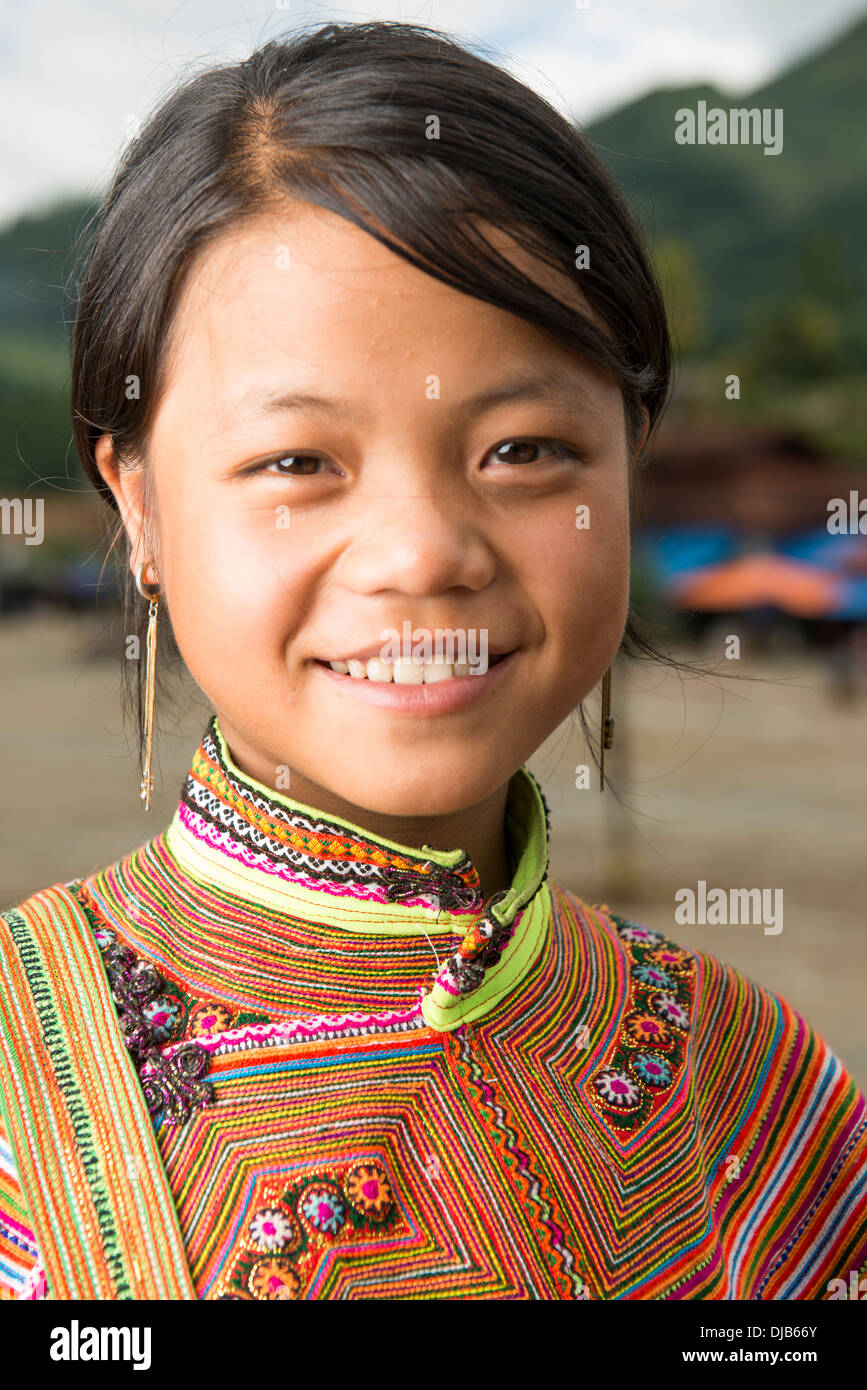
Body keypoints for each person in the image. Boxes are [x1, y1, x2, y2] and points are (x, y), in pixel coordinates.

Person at [1, 20, 865, 1302]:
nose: (420, 553)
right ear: (139, 504)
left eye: (521, 451)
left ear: (626, 462)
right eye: (299, 463)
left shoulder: (766, 1099)